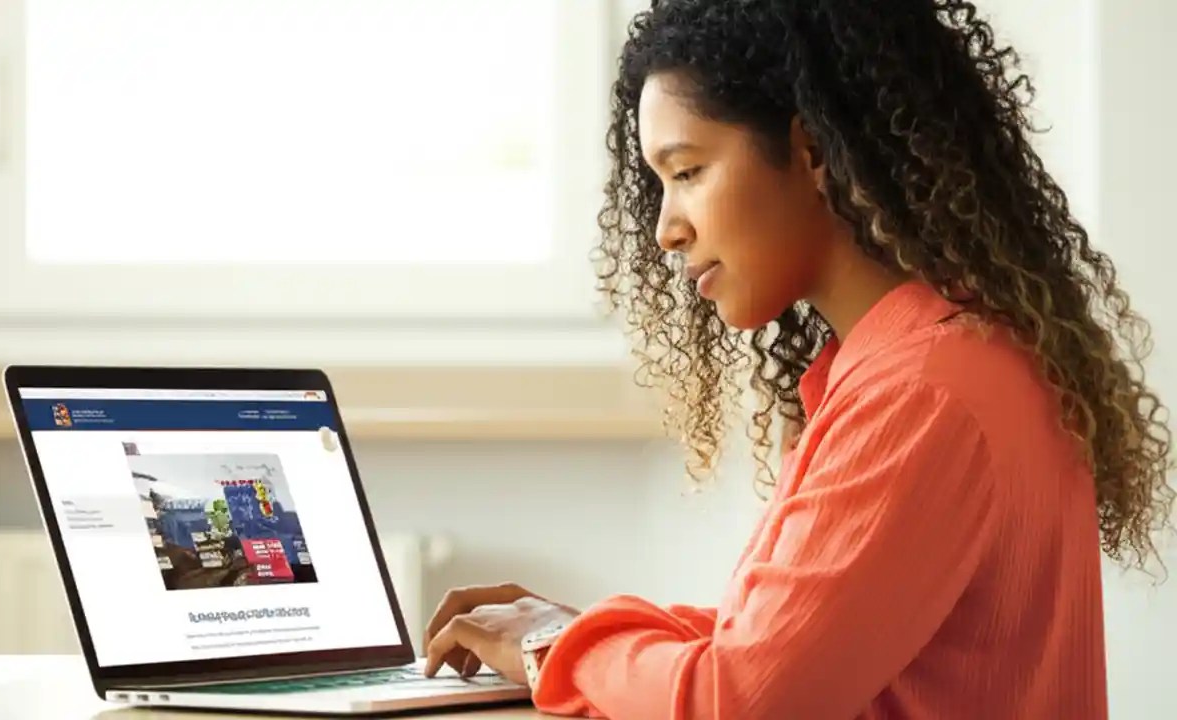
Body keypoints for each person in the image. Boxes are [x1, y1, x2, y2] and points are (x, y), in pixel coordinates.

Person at [422, 1, 1174, 717]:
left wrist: (557, 649)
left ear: (811, 150)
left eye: (687, 173)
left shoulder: (920, 395)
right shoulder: (943, 358)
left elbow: (742, 700)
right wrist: (571, 636)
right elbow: (788, 646)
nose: (664, 230)